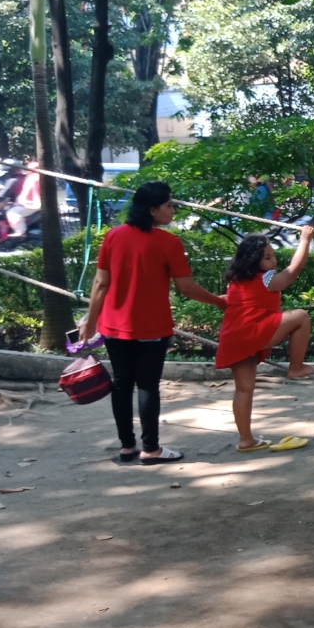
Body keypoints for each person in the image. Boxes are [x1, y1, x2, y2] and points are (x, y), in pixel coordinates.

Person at [77, 181, 227, 464]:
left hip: (113, 325)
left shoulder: (114, 237)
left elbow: (100, 283)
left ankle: (126, 447)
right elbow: (186, 287)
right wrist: (219, 301)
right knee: (147, 386)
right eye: (169, 205)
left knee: (121, 384)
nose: (173, 210)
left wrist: (91, 322)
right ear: (152, 210)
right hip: (151, 327)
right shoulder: (169, 243)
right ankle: (151, 449)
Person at [214, 225, 314, 452]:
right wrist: (304, 241)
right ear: (254, 261)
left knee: (244, 389)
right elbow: (293, 270)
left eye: (273, 256)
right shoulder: (266, 278)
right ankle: (296, 366)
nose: (273, 262)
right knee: (301, 316)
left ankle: (246, 440)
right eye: (268, 258)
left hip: (234, 337)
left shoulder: (235, 281)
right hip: (253, 333)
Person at [4, 161, 41, 238]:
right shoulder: (41, 176)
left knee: (12, 212)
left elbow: (26, 193)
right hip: (41, 203)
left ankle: (20, 232)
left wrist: (18, 202)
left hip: (34, 204)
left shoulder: (31, 178)